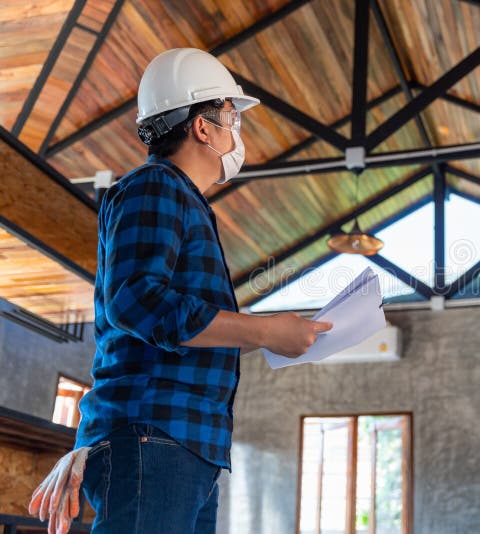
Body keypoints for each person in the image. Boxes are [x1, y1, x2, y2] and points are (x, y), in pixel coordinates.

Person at [28, 48, 333, 534]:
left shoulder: (181, 200)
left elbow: (158, 316)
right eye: (231, 116)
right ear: (202, 127)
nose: (237, 132)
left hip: (181, 442)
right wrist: (264, 332)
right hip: (156, 436)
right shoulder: (156, 186)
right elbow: (137, 301)